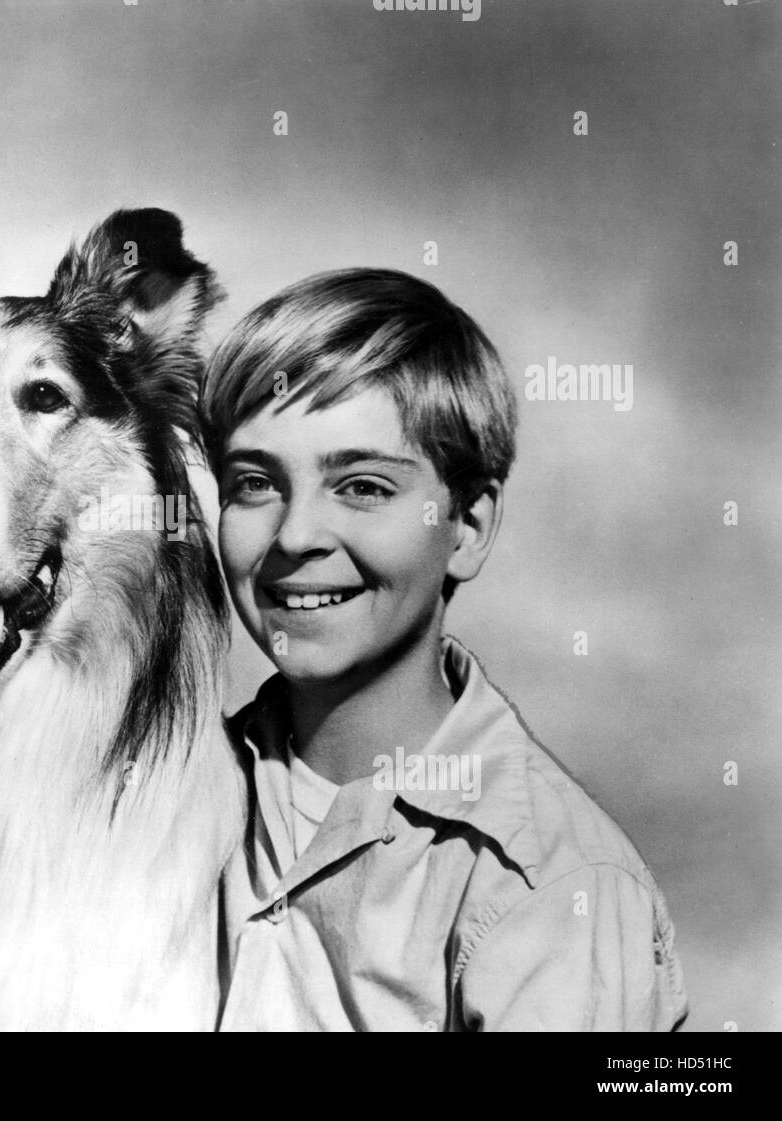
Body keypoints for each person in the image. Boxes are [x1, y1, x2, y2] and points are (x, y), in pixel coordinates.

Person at [200, 269, 688, 1031]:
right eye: (255, 483)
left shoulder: (551, 887)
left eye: (362, 486)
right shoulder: (177, 796)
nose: (296, 536)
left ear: (467, 525)